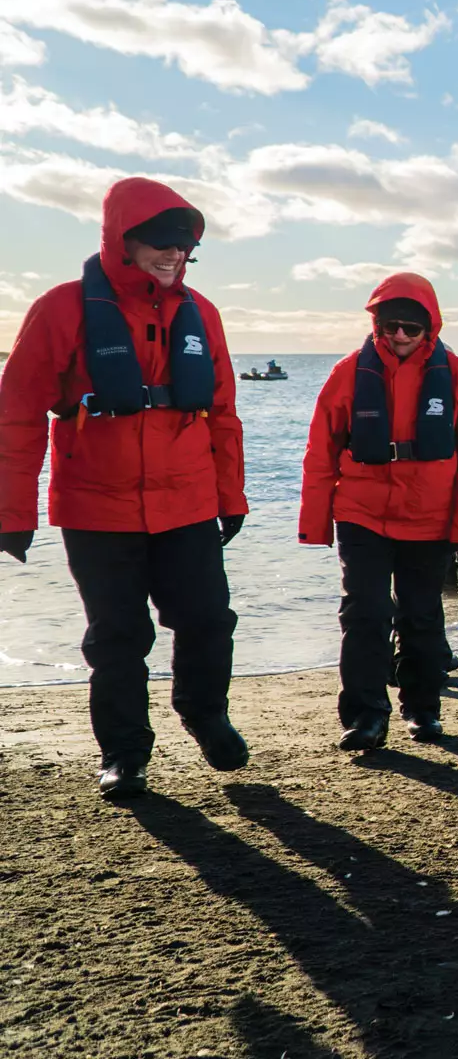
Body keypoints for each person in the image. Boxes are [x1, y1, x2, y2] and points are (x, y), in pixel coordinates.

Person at [0, 178, 249, 799]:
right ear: (122, 240)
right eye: (161, 243)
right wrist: (12, 509)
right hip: (96, 506)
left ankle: (203, 712)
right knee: (116, 637)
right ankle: (125, 752)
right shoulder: (61, 309)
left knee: (209, 620)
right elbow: (18, 415)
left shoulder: (203, 314)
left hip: (186, 499)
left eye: (185, 246)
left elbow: (223, 412)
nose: (174, 256)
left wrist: (231, 495)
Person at [299, 275, 458, 750]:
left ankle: (423, 709)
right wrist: (315, 522)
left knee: (422, 615)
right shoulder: (348, 374)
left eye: (410, 326)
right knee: (364, 614)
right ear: (376, 325)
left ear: (431, 326)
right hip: (362, 514)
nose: (400, 335)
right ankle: (365, 717)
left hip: (430, 516)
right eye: (390, 326)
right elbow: (320, 452)